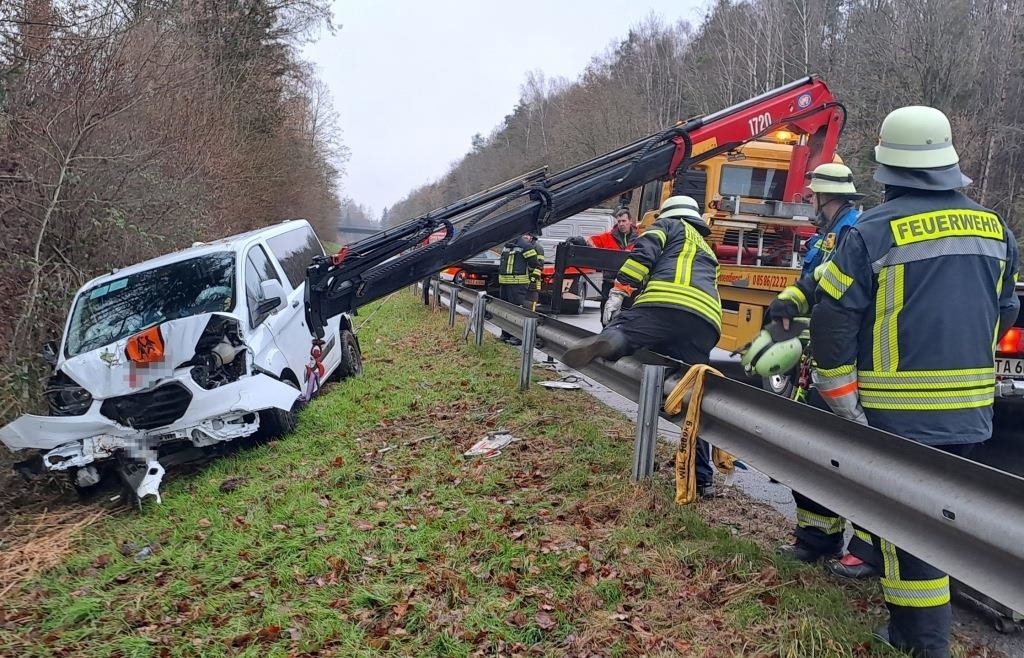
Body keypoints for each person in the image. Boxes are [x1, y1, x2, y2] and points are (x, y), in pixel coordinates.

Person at [810, 106, 1019, 658]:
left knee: (910, 534)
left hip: (896, 415)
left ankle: (923, 645)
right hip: (973, 413)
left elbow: (833, 320)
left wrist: (842, 402)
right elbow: (1007, 309)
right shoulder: (995, 226)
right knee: (931, 518)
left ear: (887, 169)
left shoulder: (871, 232)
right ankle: (903, 622)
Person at [758, 164, 880, 580]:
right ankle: (816, 538)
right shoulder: (830, 237)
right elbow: (814, 284)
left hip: (845, 364)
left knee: (852, 458)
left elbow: (841, 300)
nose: (809, 204)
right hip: (820, 357)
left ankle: (865, 551)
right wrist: (787, 304)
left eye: (812, 197)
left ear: (828, 198)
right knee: (811, 449)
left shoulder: (852, 235)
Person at [561, 195, 721, 495]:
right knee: (692, 397)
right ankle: (702, 478)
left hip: (664, 305)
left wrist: (619, 291)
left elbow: (643, 255)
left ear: (669, 213)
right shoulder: (707, 249)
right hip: (704, 323)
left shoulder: (667, 226)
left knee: (627, 330)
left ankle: (614, 340)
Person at [587, 207, 638, 323]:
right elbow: (590, 240)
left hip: (630, 284)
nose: (621, 224)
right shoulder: (607, 237)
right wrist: (598, 255)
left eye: (624, 221)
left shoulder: (640, 238)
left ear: (630, 221)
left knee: (628, 316)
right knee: (605, 316)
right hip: (610, 282)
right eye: (619, 221)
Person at [497, 231, 544, 345]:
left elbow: (538, 266)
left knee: (524, 311)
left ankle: (519, 336)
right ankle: (507, 334)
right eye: (524, 234)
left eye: (528, 235)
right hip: (513, 283)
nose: (525, 236)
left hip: (528, 285)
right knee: (508, 309)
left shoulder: (536, 247)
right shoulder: (513, 245)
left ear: (532, 236)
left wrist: (533, 280)